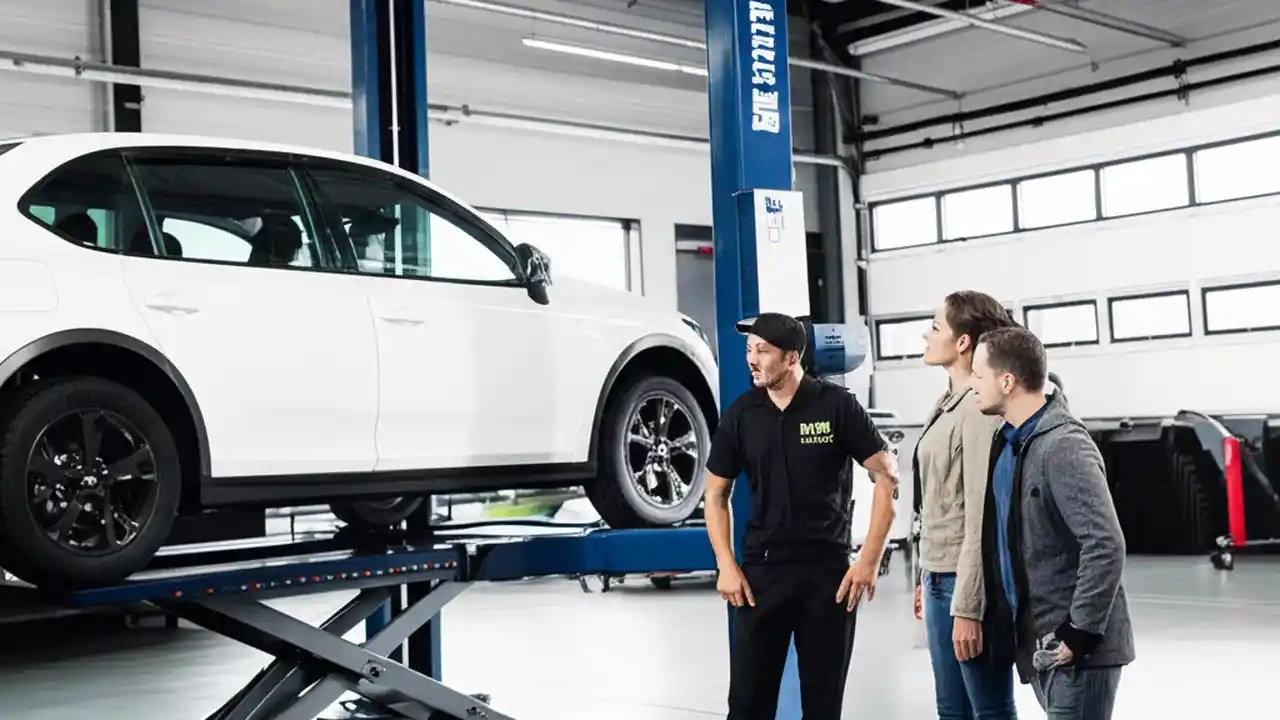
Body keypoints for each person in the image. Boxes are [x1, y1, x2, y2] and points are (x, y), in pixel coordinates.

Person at [702, 312, 900, 720]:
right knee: (745, 705)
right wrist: (726, 564)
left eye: (763, 351)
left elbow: (886, 476)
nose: (752, 360)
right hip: (762, 575)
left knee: (823, 707)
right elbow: (716, 494)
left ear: (792, 358)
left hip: (827, 576)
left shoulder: (837, 406)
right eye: (748, 350)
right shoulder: (741, 415)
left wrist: (869, 560)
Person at [970, 326, 1136, 719]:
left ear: (1007, 381)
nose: (971, 385)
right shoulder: (1010, 442)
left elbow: (1105, 544)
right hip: (1043, 647)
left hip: (1077, 652)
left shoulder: (1063, 445)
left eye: (978, 375)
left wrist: (1078, 632)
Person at [912, 291, 1018, 719]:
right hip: (940, 577)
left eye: (936, 327)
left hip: (966, 585)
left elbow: (979, 514)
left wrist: (969, 607)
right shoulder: (946, 404)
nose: (926, 333)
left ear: (963, 343)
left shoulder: (979, 409)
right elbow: (940, 502)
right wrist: (924, 573)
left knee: (989, 710)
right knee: (951, 711)